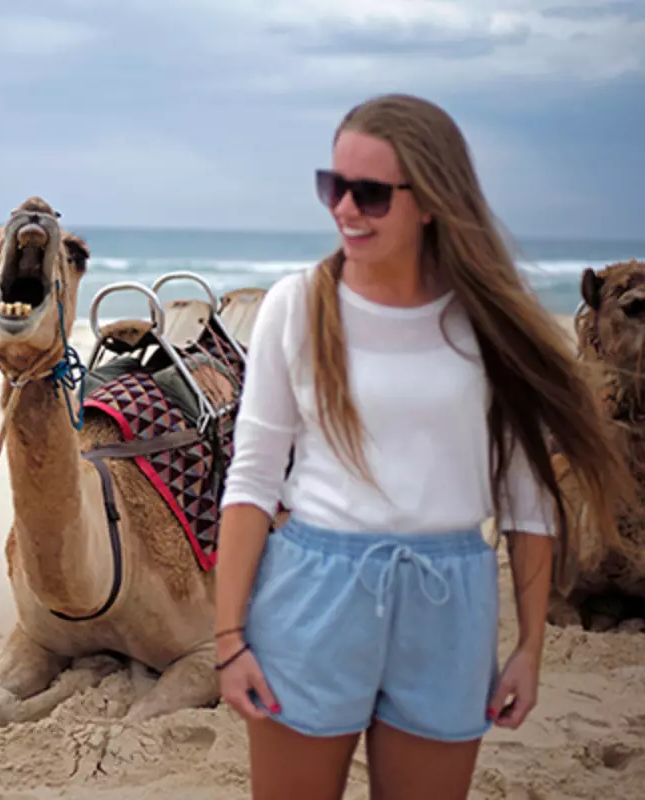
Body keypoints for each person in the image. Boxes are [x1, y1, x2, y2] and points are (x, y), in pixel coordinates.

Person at [212, 93, 630, 800]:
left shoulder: (489, 323)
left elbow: (527, 504)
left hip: (450, 605)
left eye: (370, 193)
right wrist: (228, 640)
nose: (345, 208)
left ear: (432, 200)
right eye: (333, 186)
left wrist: (529, 648)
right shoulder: (295, 306)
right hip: (313, 596)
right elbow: (251, 482)